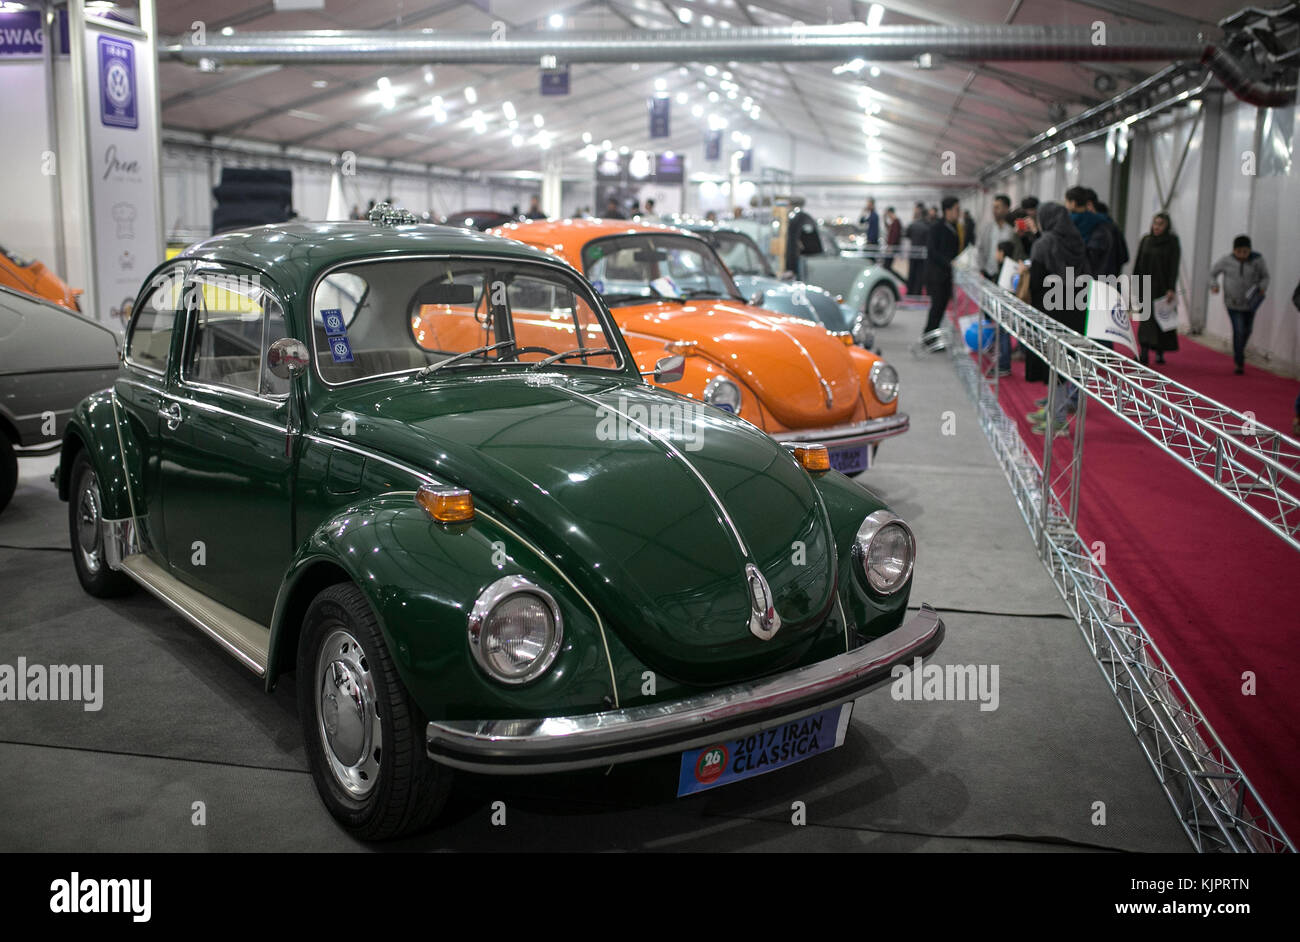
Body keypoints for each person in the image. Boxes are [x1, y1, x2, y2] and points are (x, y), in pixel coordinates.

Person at [1024, 202, 1090, 434]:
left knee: (1054, 363)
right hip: (1074, 308)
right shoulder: (1077, 242)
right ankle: (1054, 409)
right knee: (1065, 362)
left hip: (1050, 309)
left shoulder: (1044, 244)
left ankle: (1058, 419)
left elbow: (1036, 281)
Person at [1209, 235, 1270, 374]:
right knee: (1239, 330)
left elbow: (1265, 276)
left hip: (1250, 303)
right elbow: (1212, 273)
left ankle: (1239, 350)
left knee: (1247, 330)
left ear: (1249, 250)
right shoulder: (1226, 261)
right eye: (1239, 251)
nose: (1242, 255)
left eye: (1245, 252)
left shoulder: (1257, 261)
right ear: (1234, 250)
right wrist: (1214, 285)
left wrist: (1262, 287)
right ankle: (1239, 361)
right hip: (1232, 303)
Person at [1133, 212, 1180, 366]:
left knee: (1161, 320)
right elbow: (1139, 262)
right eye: (1155, 223)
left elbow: (1174, 266)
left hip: (1162, 287)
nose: (1157, 227)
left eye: (1161, 224)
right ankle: (1144, 352)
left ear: (1167, 226)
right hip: (1145, 285)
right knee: (1146, 320)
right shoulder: (1146, 240)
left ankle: (1160, 351)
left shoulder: (1172, 242)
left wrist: (1171, 287)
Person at [920, 196, 961, 351]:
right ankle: (928, 337)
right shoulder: (936, 228)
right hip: (936, 275)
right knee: (936, 307)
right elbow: (932, 251)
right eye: (956, 210)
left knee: (941, 306)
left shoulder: (954, 227)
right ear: (947, 211)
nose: (958, 213)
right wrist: (949, 262)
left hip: (946, 275)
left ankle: (932, 336)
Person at [1065, 186, 1113, 277]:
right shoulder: (1101, 223)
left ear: (1073, 203)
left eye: (1066, 201)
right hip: (1096, 275)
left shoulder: (1066, 224)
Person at [783, 198, 824, 280]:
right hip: (810, 259)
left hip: (801, 260)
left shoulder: (796, 218)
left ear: (790, 204)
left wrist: (790, 268)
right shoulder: (806, 217)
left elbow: (792, 244)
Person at [980, 194, 1016, 280]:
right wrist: (981, 269)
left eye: (997, 207)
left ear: (1006, 208)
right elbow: (981, 248)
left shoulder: (1011, 230)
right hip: (987, 272)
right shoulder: (987, 228)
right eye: (993, 207)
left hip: (1005, 274)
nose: (994, 210)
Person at [904, 202, 930, 296]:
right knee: (920, 274)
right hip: (922, 254)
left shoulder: (913, 224)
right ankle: (917, 292)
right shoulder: (928, 227)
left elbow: (907, 235)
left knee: (911, 273)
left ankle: (909, 291)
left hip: (912, 251)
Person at [882, 206, 901, 275]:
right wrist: (884, 219)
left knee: (887, 266)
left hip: (892, 248)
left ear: (890, 213)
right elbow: (888, 228)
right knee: (887, 266)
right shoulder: (894, 222)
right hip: (891, 247)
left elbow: (895, 236)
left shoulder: (896, 222)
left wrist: (891, 246)